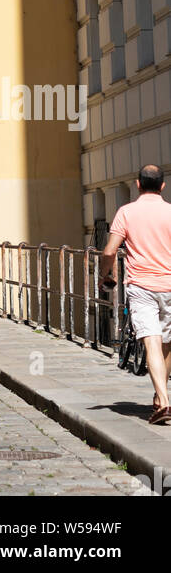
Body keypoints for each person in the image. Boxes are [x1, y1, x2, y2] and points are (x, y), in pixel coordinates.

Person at [100, 164, 171, 424]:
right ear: (162, 186)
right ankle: (159, 395)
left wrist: (106, 275)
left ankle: (163, 401)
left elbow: (109, 252)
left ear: (138, 185)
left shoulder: (126, 212)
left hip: (142, 286)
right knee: (166, 342)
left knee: (151, 341)